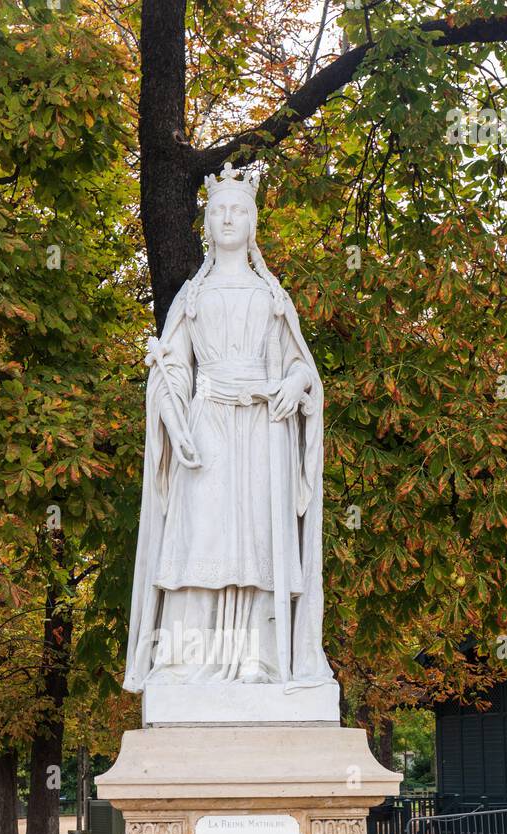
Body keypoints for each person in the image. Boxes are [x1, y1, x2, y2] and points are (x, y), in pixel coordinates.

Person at [124, 161, 333, 691]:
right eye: (218, 210)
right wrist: (173, 414)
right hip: (208, 425)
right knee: (198, 539)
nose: (228, 218)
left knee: (261, 544)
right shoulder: (192, 298)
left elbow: (298, 363)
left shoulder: (271, 298)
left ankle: (258, 661)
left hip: (265, 430)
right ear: (207, 223)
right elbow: (172, 368)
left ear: (252, 222)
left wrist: (295, 382)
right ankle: (182, 662)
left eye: (239, 210)